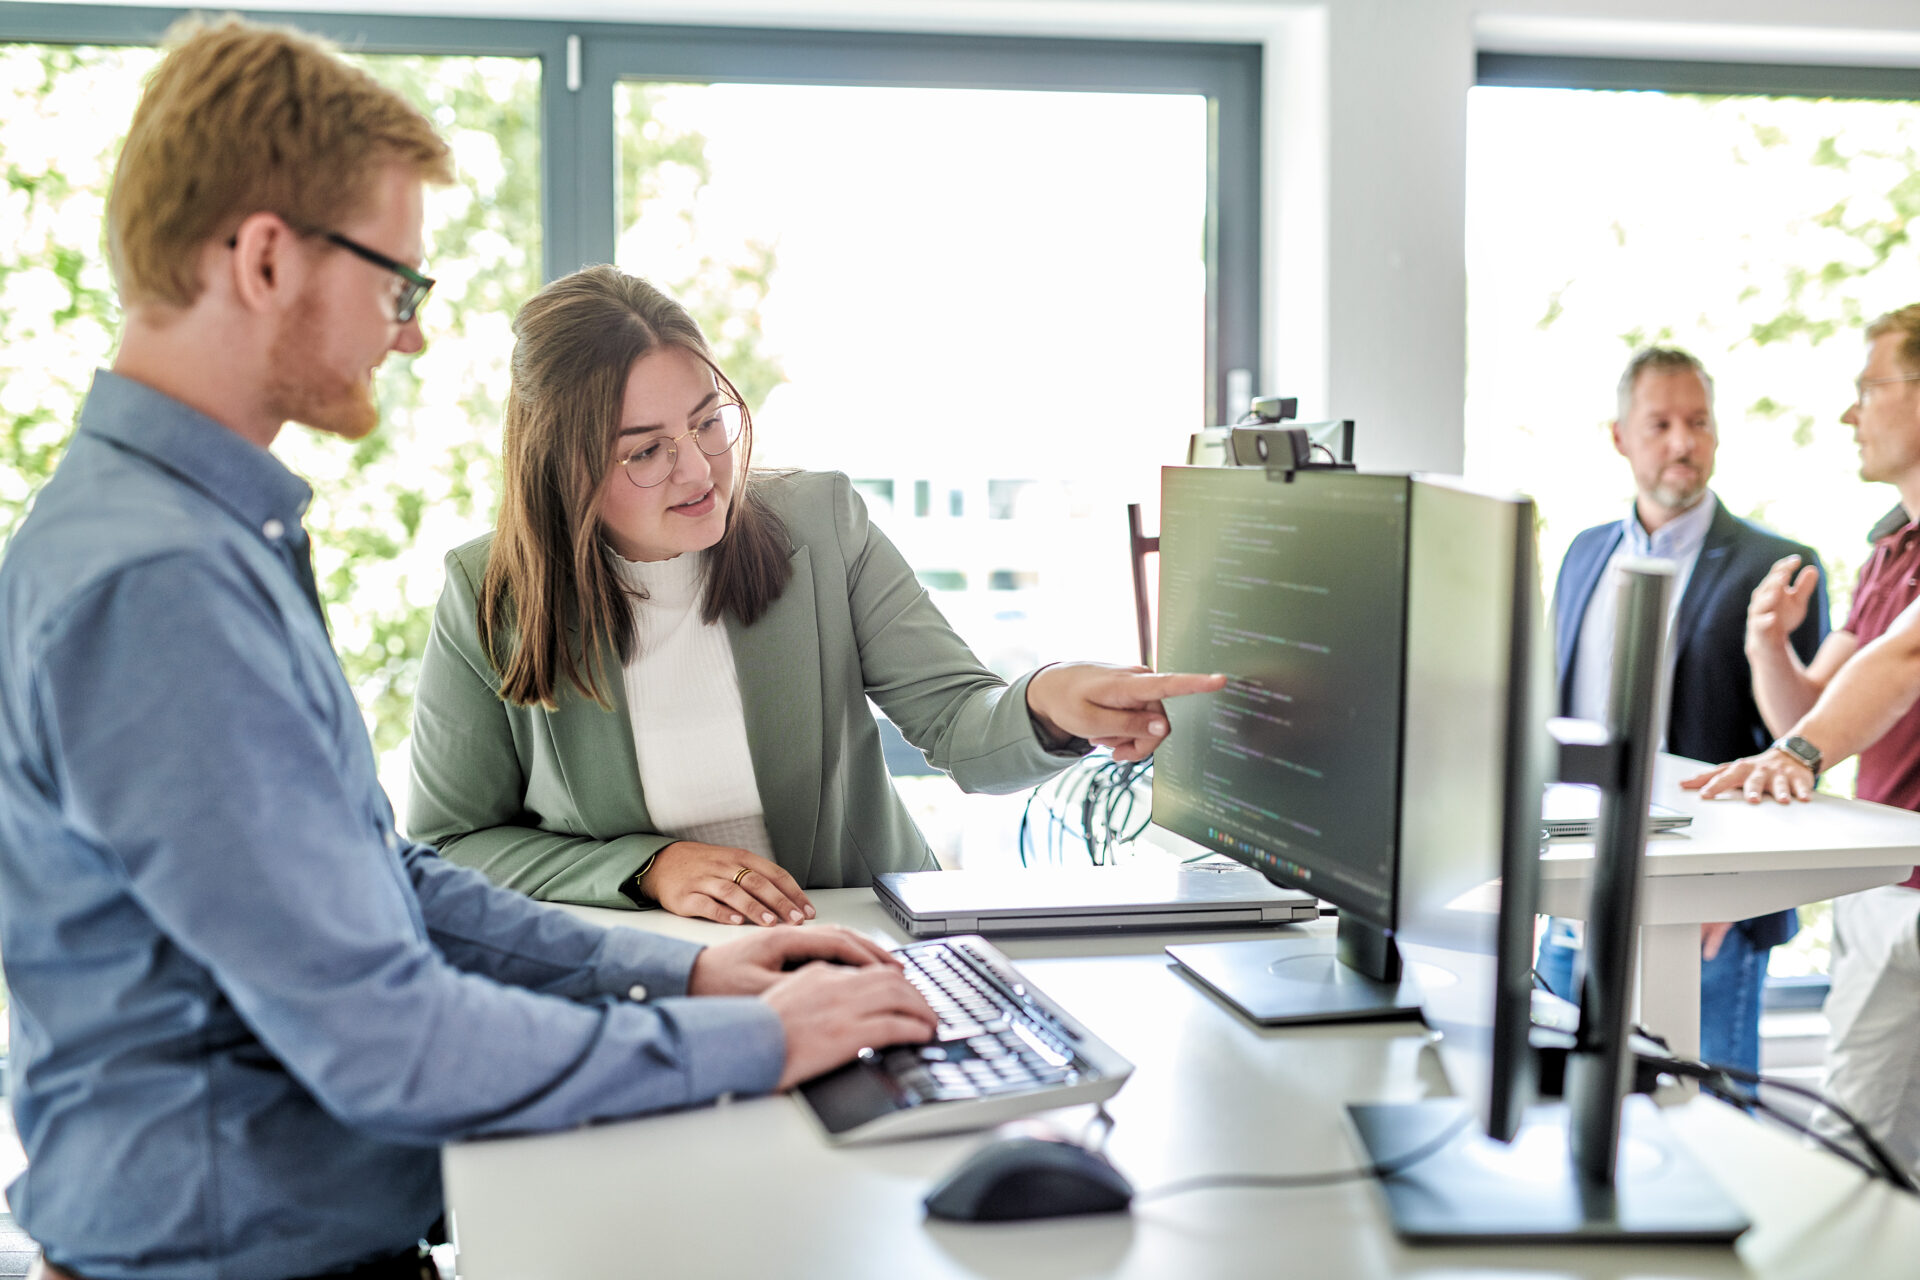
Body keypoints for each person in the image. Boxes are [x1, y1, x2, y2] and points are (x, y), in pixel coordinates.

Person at [0, 19, 941, 1279]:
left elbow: (386, 880)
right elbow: (385, 1035)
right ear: (270, 259)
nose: (413, 336)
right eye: (400, 284)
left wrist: (699, 975)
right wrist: (764, 1041)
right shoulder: (157, 582)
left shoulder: (197, 532)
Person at [405, 266, 1226, 926]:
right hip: (646, 975)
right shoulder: (489, 594)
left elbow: (957, 722)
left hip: (862, 944)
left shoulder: (820, 524)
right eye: (646, 452)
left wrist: (1049, 700)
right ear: (562, 466)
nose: (698, 470)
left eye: (706, 421)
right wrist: (646, 869)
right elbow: (449, 846)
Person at [1537, 347, 1827, 1074]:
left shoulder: (1779, 566)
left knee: (1715, 1118)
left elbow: (1797, 748)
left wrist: (1733, 886)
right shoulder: (1583, 554)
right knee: (1565, 1100)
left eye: (1698, 422)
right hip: (1575, 889)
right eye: (1660, 423)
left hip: (1709, 906)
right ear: (1620, 437)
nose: (1682, 443)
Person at [1686, 303, 1920, 1177]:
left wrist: (1800, 753)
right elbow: (1815, 708)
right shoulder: (1891, 549)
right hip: (1887, 892)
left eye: (1869, 388)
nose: (1849, 414)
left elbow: (1905, 659)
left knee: (1861, 1165)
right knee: (1861, 1158)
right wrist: (1766, 645)